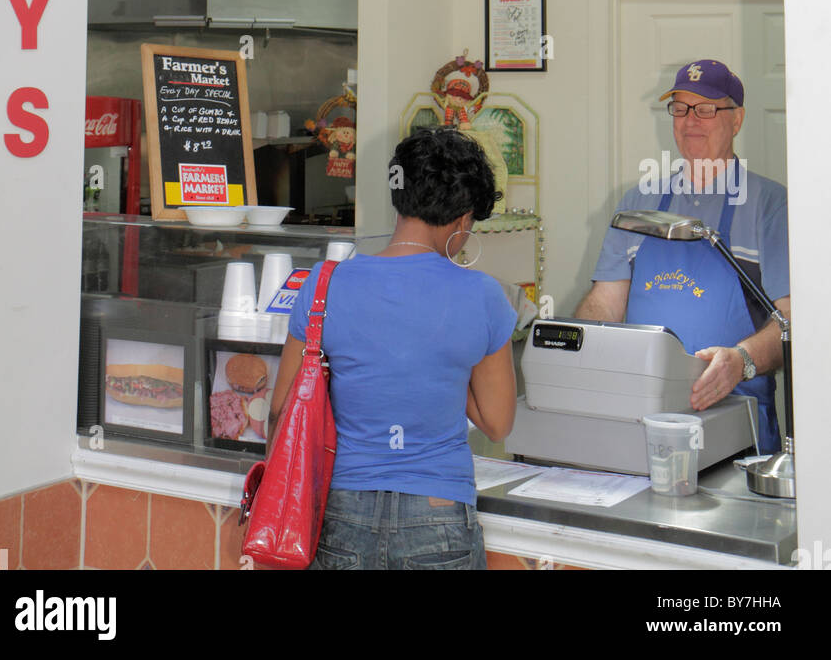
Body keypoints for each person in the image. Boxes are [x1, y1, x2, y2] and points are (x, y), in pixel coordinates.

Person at [268, 125, 517, 570]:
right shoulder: (483, 295)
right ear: (462, 220)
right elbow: (496, 423)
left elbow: (282, 409)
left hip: (343, 513)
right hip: (440, 514)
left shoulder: (323, 286)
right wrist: (443, 362)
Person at [575, 60, 790, 453]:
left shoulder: (769, 206)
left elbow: (792, 322)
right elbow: (605, 302)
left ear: (737, 118)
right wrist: (577, 350)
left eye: (706, 108)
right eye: (680, 108)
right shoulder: (639, 203)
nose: (691, 121)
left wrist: (740, 360)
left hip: (737, 424)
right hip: (645, 417)